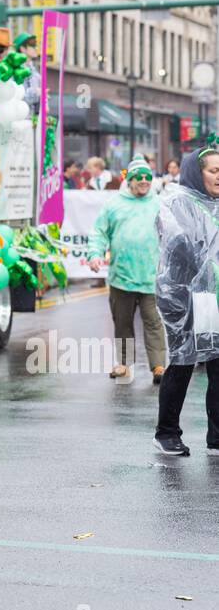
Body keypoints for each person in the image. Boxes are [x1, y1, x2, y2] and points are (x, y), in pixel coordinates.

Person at [153, 141, 219, 456]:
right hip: (185, 297)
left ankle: (217, 436)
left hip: (214, 296)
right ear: (197, 172)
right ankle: (166, 433)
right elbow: (180, 244)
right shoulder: (177, 201)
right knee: (183, 362)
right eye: (214, 170)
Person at [87, 156, 166, 385]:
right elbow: (99, 233)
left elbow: (172, 234)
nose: (144, 181)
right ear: (129, 180)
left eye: (147, 177)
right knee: (123, 322)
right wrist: (95, 255)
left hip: (151, 276)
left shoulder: (159, 204)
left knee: (153, 322)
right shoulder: (115, 204)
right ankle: (123, 364)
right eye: (138, 177)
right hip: (122, 276)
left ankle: (158, 366)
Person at [13, 31, 41, 113]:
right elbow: (16, 97)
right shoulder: (15, 71)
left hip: (32, 119)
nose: (36, 48)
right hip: (18, 119)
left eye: (36, 44)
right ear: (22, 48)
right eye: (32, 45)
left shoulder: (35, 73)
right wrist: (36, 93)